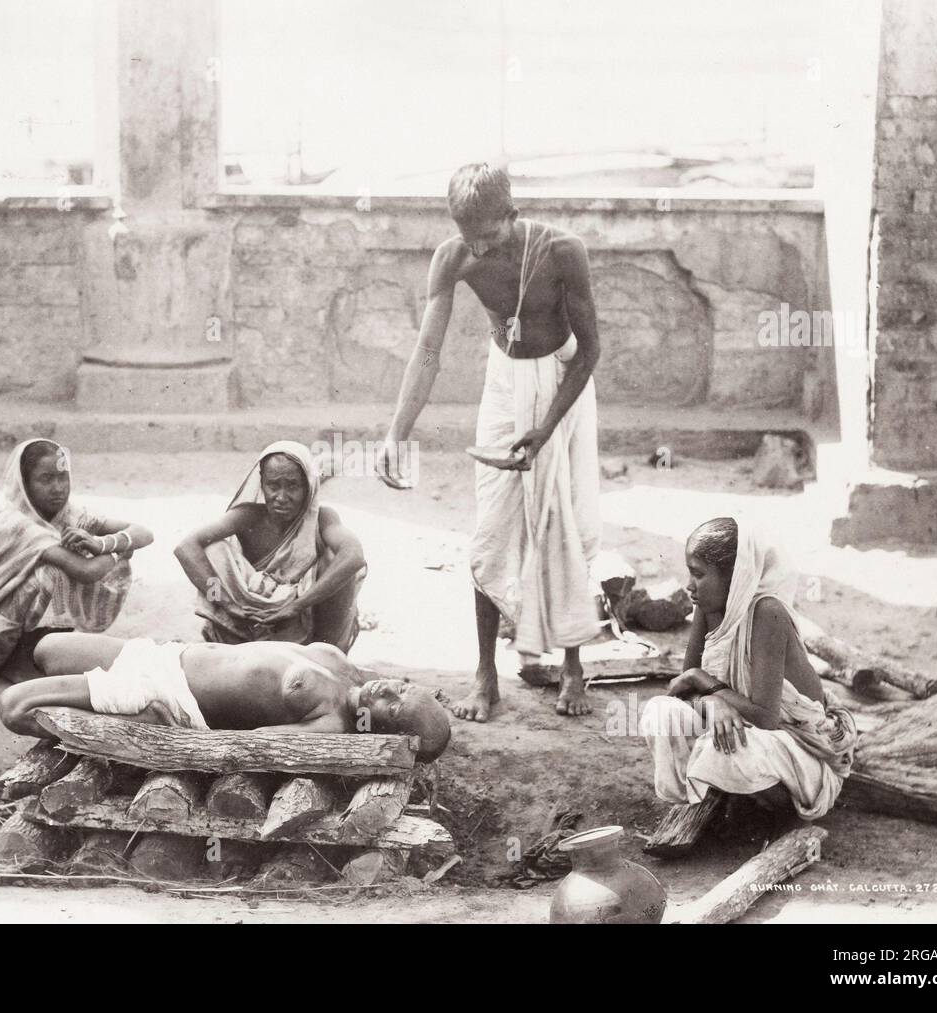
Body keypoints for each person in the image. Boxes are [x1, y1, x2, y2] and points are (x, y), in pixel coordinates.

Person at [379, 162, 602, 721]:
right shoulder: (453, 257)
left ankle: (572, 665)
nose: (479, 246)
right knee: (492, 529)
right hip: (504, 385)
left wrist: (547, 427)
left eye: (491, 234)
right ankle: (485, 677)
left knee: (565, 519)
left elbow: (591, 349)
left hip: (563, 379)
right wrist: (397, 432)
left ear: (514, 215)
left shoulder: (562, 251)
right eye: (468, 234)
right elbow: (428, 352)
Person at [641, 517, 857, 831]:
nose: (689, 586)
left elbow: (765, 718)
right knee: (661, 712)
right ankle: (727, 795)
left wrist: (706, 684)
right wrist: (713, 703)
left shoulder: (767, 613)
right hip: (747, 730)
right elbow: (681, 687)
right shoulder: (708, 606)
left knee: (726, 751)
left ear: (735, 577)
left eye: (698, 574)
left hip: (802, 749)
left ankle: (779, 812)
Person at [0, 632, 451, 762]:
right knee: (47, 648)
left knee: (13, 707)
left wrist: (170, 728)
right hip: (168, 653)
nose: (390, 689)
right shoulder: (348, 669)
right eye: (404, 687)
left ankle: (133, 723)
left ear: (385, 733)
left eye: (394, 706)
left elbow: (246, 746)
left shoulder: (331, 724)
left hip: (168, 693)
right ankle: (101, 699)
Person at [0, 438, 151, 690]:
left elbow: (144, 532)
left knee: (72, 563)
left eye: (62, 477)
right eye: (46, 479)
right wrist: (119, 551)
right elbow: (86, 572)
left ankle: (44, 653)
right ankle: (20, 661)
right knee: (52, 572)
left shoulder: (68, 514)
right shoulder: (14, 522)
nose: (58, 488)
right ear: (25, 484)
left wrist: (104, 544)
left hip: (3, 628)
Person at [175, 440, 366, 653]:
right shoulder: (249, 516)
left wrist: (296, 606)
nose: (281, 497)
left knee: (335, 560)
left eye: (293, 486)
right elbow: (185, 547)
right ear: (262, 484)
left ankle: (327, 654)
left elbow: (354, 556)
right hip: (247, 617)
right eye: (273, 486)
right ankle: (228, 641)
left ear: (308, 486)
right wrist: (227, 602)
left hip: (301, 621)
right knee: (212, 551)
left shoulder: (322, 519)